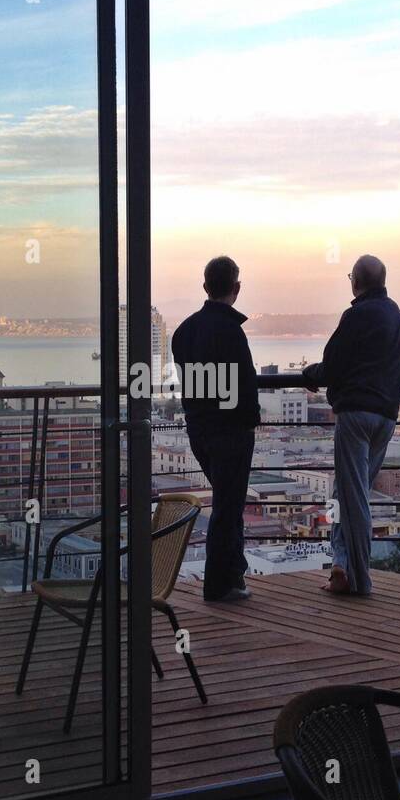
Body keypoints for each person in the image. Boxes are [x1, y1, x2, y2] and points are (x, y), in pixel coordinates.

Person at [303, 255, 400, 595]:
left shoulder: (355, 316)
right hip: (386, 417)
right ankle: (341, 565)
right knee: (346, 494)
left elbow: (334, 365)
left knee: (355, 499)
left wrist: (311, 375)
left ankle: (362, 582)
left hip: (356, 415)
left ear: (356, 282)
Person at [171, 256, 259, 602]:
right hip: (231, 431)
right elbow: (243, 386)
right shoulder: (231, 333)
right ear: (236, 288)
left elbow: (193, 386)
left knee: (225, 503)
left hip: (199, 430)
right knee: (228, 505)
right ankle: (223, 582)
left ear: (205, 287)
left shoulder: (184, 332)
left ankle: (228, 577)